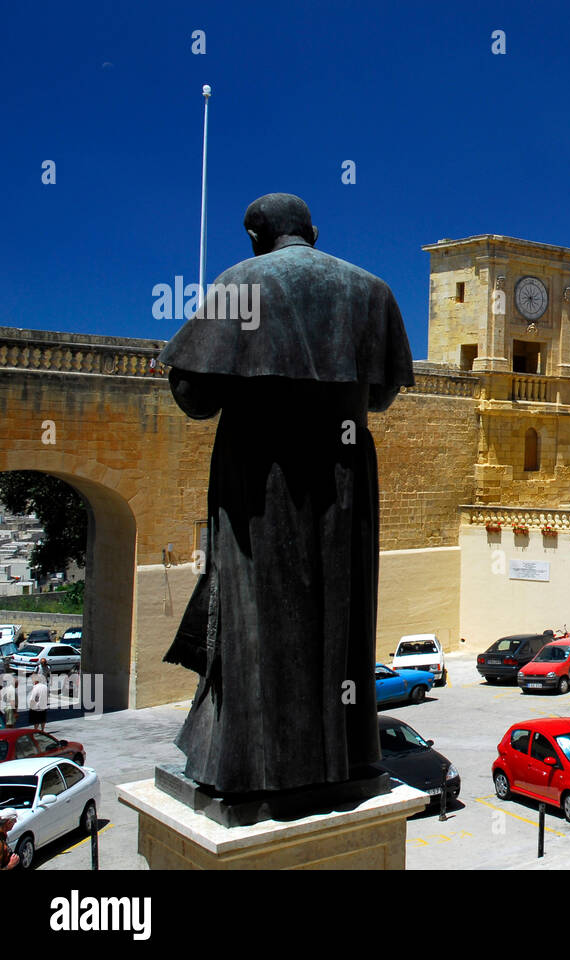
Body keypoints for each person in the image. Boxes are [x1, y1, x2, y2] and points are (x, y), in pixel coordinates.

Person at [157, 193, 414, 795]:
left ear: (255, 235)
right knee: (338, 618)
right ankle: (341, 761)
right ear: (314, 232)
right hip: (345, 474)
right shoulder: (372, 291)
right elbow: (379, 397)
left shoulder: (239, 284)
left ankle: (251, 768)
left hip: (260, 475)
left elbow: (195, 399)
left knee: (258, 621)